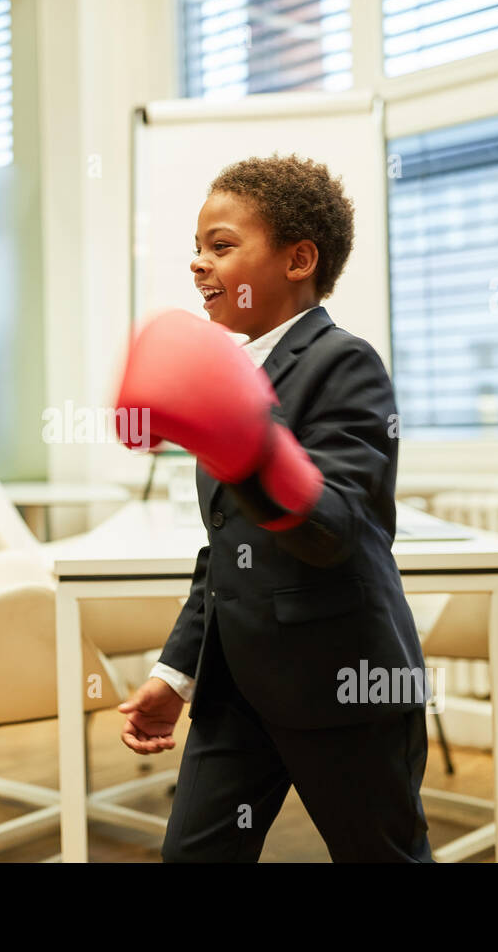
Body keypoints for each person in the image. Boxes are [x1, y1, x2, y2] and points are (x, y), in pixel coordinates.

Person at [116, 155, 434, 862]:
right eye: (197, 248)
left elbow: (337, 532)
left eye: (221, 246)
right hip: (237, 691)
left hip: (344, 683)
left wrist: (241, 439)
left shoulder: (344, 362)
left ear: (299, 259)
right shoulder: (234, 376)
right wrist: (175, 674)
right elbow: (226, 554)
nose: (199, 264)